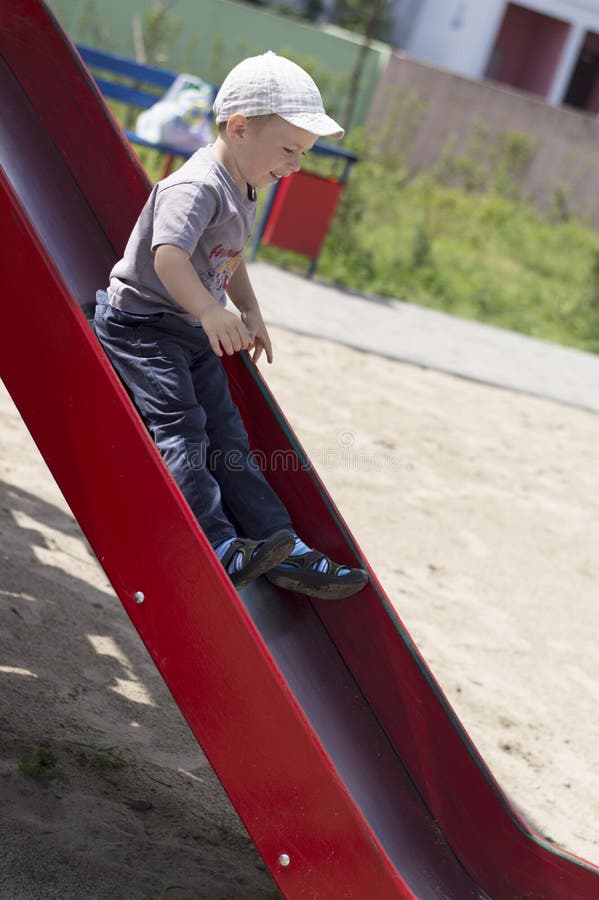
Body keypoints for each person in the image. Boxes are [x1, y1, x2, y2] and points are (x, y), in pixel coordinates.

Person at [94, 51, 368, 600]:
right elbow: (167, 254)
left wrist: (249, 310)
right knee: (183, 428)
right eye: (288, 150)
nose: (294, 166)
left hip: (186, 329)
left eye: (303, 154)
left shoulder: (244, 186)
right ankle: (218, 544)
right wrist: (207, 310)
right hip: (141, 327)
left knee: (231, 437)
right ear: (239, 128)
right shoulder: (196, 185)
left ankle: (280, 546)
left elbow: (228, 258)